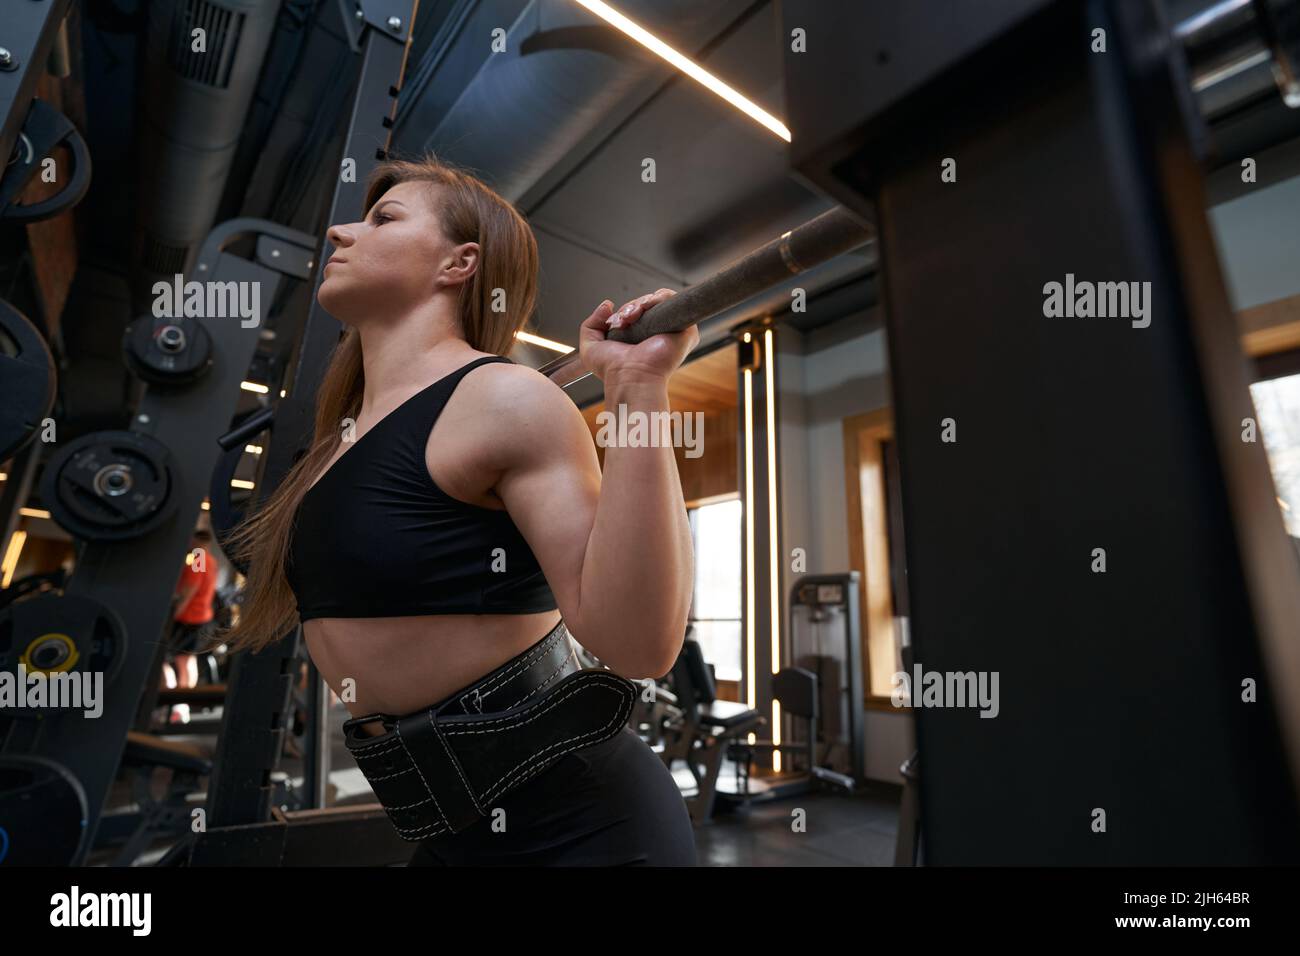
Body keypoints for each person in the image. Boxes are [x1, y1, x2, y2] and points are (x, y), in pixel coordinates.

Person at [219, 152, 699, 865]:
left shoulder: (506, 399)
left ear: (459, 264)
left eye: (382, 218)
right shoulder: (336, 445)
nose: (339, 235)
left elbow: (638, 643)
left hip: (578, 820)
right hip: (446, 826)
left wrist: (636, 388)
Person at [165, 528, 218, 723]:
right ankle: (180, 707)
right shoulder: (210, 560)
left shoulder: (199, 557)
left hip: (191, 618)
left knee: (171, 662)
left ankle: (174, 705)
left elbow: (190, 589)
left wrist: (175, 613)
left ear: (195, 540)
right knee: (186, 662)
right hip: (200, 618)